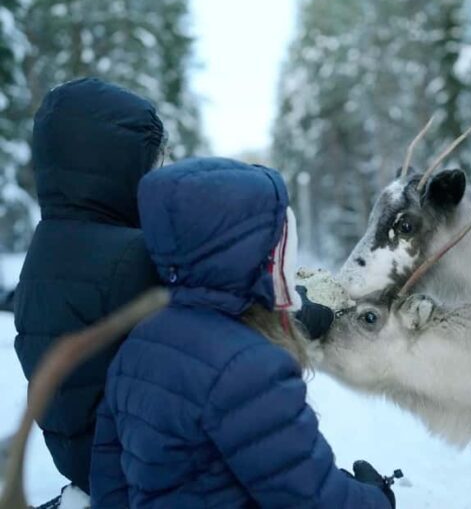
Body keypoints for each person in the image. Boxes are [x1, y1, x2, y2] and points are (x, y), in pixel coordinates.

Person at [90, 157, 395, 508]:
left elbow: (109, 480)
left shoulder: (140, 343)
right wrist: (377, 498)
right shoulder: (249, 367)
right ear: (253, 255)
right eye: (281, 246)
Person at [13, 77, 165, 503]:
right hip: (137, 470)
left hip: (84, 462)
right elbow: (222, 322)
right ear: (118, 164)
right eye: (151, 161)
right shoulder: (133, 256)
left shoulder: (47, 247)